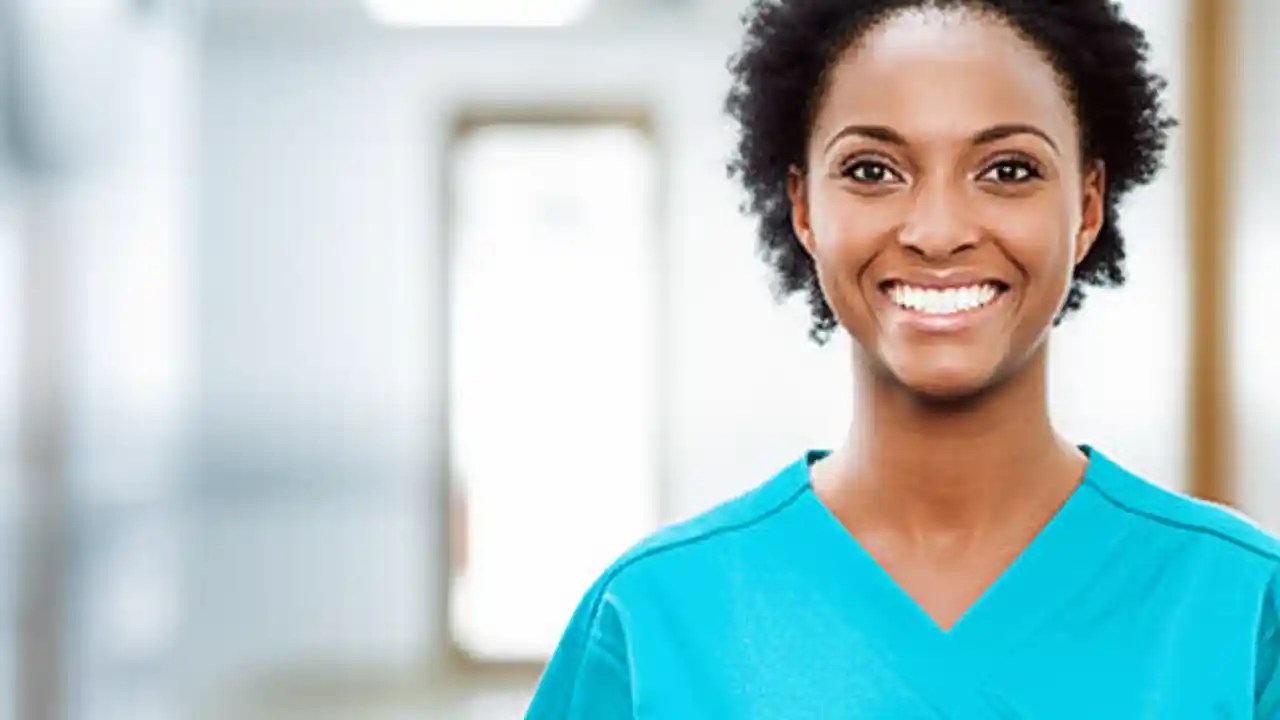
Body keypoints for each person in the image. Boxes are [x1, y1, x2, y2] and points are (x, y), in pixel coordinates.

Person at [526, 1, 1280, 716]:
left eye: (1008, 170)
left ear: (1086, 209)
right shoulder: (655, 620)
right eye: (873, 171)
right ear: (803, 209)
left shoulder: (1241, 608)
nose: (937, 230)